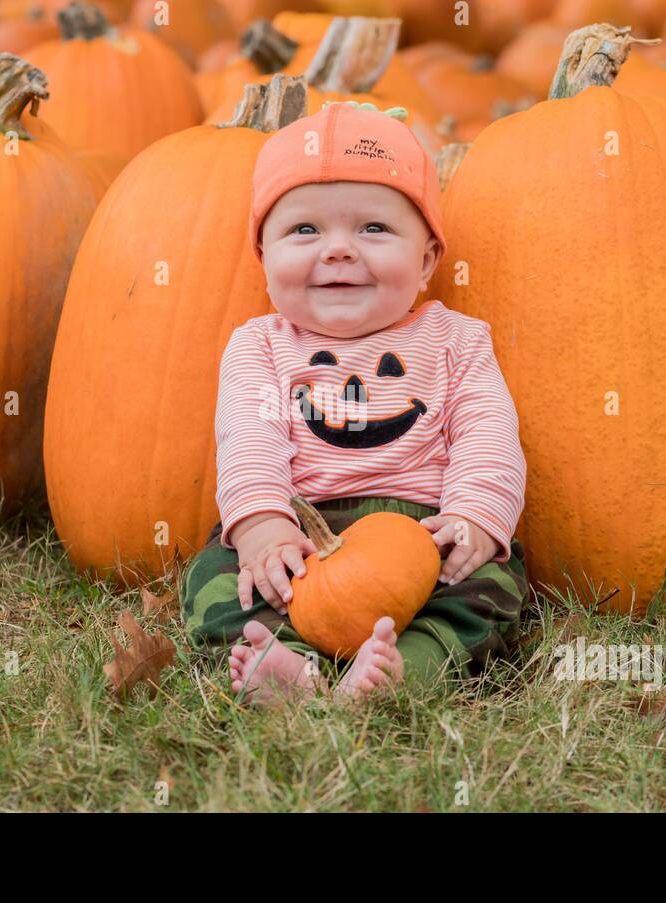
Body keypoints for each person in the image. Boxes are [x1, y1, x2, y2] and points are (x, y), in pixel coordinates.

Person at [181, 100, 528, 706]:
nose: (338, 250)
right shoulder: (258, 346)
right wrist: (263, 524)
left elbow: (487, 431)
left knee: (489, 588)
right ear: (264, 258)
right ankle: (296, 669)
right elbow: (250, 439)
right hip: (306, 530)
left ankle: (404, 670)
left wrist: (475, 515)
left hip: (423, 536)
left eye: (373, 228)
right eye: (305, 230)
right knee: (216, 579)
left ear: (425, 262)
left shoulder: (457, 339)